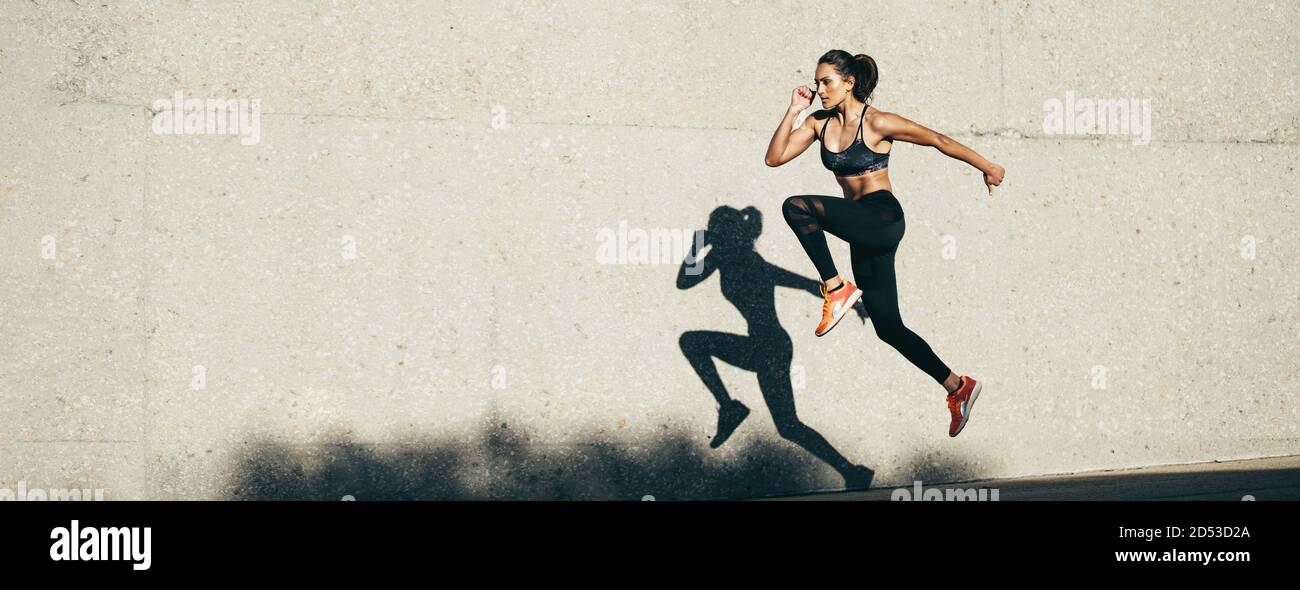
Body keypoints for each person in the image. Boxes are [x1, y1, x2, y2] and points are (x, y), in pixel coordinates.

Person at [763, 50, 1005, 437]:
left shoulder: (877, 122)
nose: (819, 90)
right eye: (817, 82)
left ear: (849, 82)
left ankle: (836, 287)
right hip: (860, 227)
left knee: (797, 207)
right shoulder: (817, 124)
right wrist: (793, 111)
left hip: (882, 217)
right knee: (888, 327)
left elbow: (938, 140)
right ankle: (958, 387)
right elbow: (774, 159)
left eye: (826, 81)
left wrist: (988, 167)